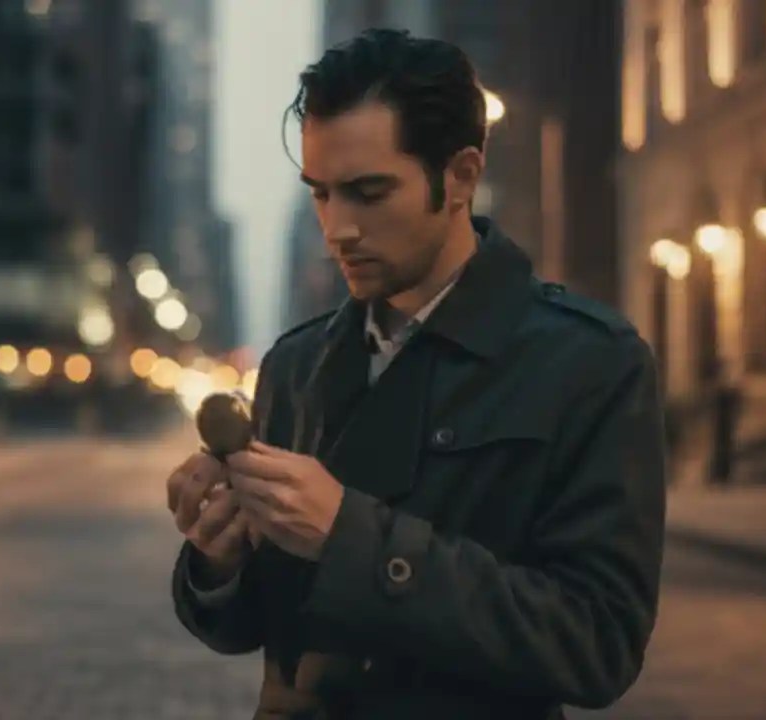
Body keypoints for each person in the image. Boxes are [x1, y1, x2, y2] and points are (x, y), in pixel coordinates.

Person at [166, 29, 667, 720]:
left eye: (368, 193)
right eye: (321, 194)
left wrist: (350, 537)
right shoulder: (296, 365)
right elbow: (256, 625)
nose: (337, 229)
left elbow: (597, 643)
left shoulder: (588, 361)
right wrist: (218, 558)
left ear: (460, 176)